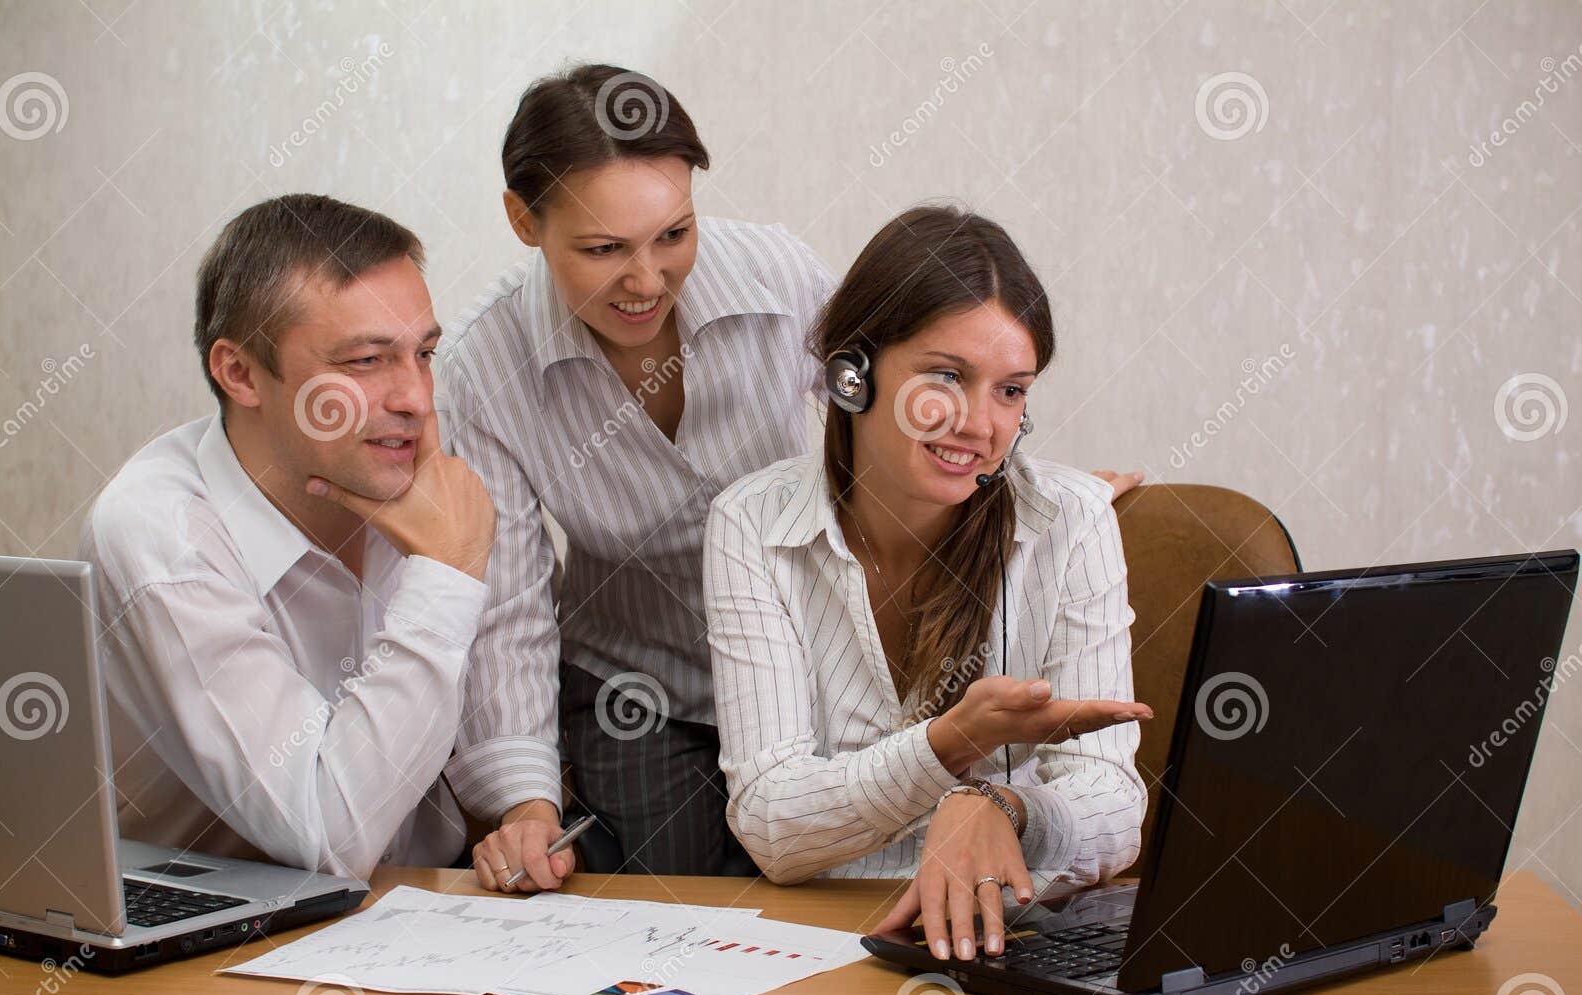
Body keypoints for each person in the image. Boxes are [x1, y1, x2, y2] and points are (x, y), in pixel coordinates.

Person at [443, 62, 1144, 892]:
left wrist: (1037, 491)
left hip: (803, 652)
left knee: (820, 865)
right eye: (604, 249)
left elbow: (905, 381)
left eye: (674, 234)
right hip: (642, 679)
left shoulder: (772, 275)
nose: (647, 280)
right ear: (525, 221)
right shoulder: (485, 369)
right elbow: (513, 609)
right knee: (678, 899)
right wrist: (526, 802)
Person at [703, 205, 1153, 964]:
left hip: (1014, 938)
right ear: (853, 374)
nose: (980, 424)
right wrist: (951, 746)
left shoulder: (1071, 520)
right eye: (946, 376)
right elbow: (774, 826)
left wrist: (1003, 807)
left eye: (1010, 391)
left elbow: (1114, 803)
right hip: (824, 951)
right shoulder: (751, 524)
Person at [82, 193, 496, 881]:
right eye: (366, 361)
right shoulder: (160, 534)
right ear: (240, 372)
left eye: (423, 353)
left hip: (429, 905)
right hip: (214, 941)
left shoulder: (423, 480)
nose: (417, 399)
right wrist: (446, 576)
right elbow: (329, 835)